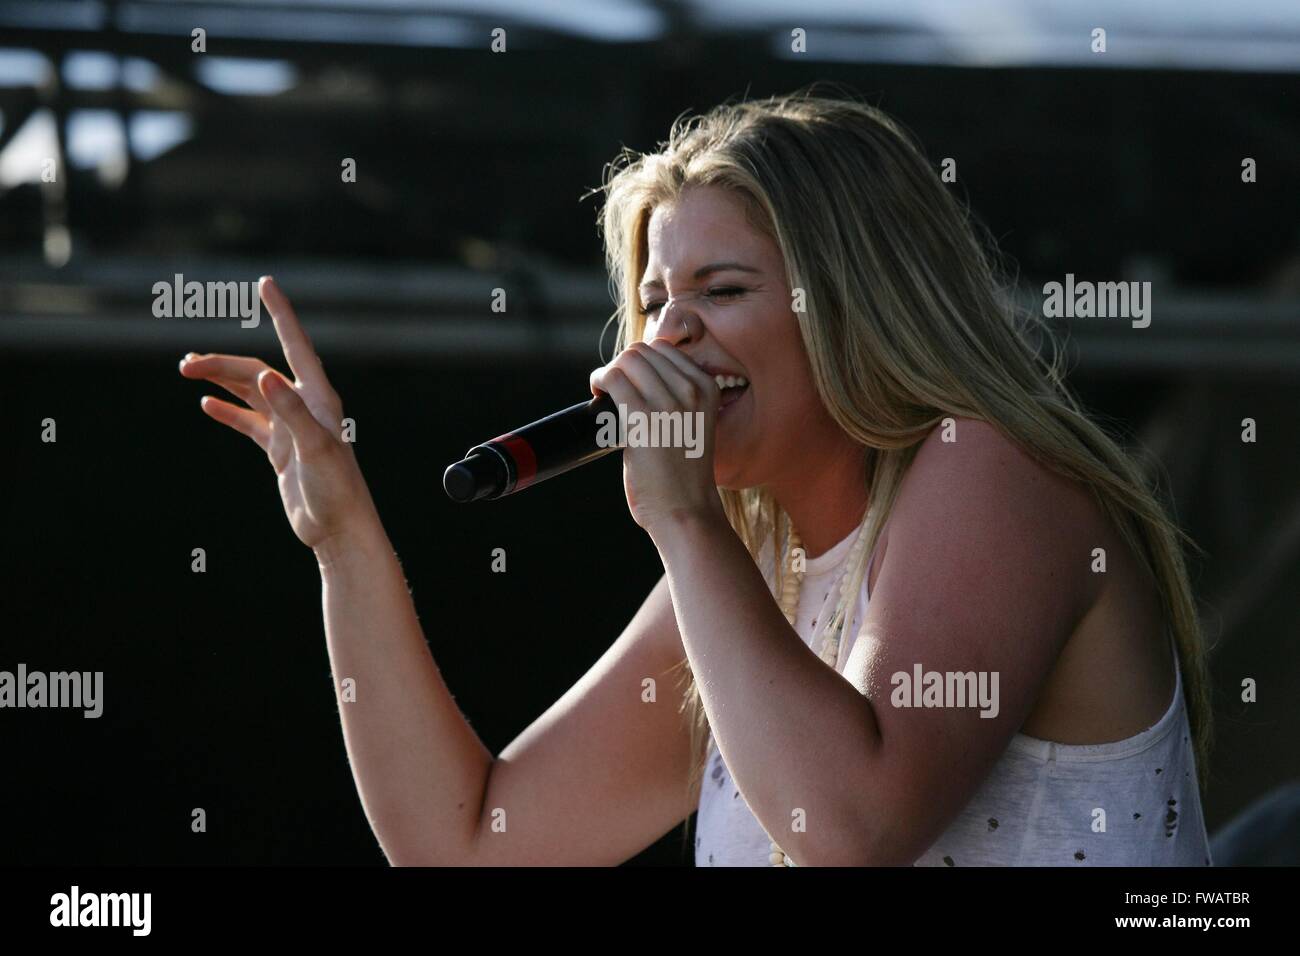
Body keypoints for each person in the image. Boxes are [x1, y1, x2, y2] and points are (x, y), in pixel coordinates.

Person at [178, 84, 1213, 866]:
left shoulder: (983, 466)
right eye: (656, 298)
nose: (669, 334)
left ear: (857, 303)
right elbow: (468, 842)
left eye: (720, 289)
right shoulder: (745, 570)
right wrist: (343, 539)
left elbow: (852, 825)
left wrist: (685, 523)